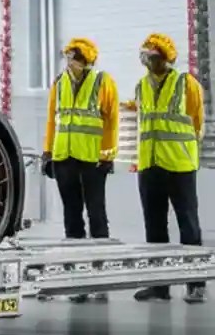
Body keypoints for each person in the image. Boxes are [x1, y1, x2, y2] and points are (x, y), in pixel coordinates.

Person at [128, 32, 205, 303]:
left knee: (189, 227)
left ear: (164, 57)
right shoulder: (141, 86)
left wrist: (184, 151)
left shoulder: (186, 84)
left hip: (180, 165)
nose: (146, 58)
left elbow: (196, 123)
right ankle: (159, 286)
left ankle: (196, 284)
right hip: (150, 165)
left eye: (151, 54)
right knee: (155, 228)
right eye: (145, 54)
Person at [40, 37, 118, 303]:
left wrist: (108, 154)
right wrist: (48, 152)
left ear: (85, 61)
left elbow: (112, 120)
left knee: (97, 215)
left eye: (73, 57)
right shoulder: (59, 83)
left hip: (92, 159)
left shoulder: (102, 81)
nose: (68, 61)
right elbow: (52, 119)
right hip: (64, 157)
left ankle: (100, 276)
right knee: (72, 218)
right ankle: (77, 280)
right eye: (67, 57)